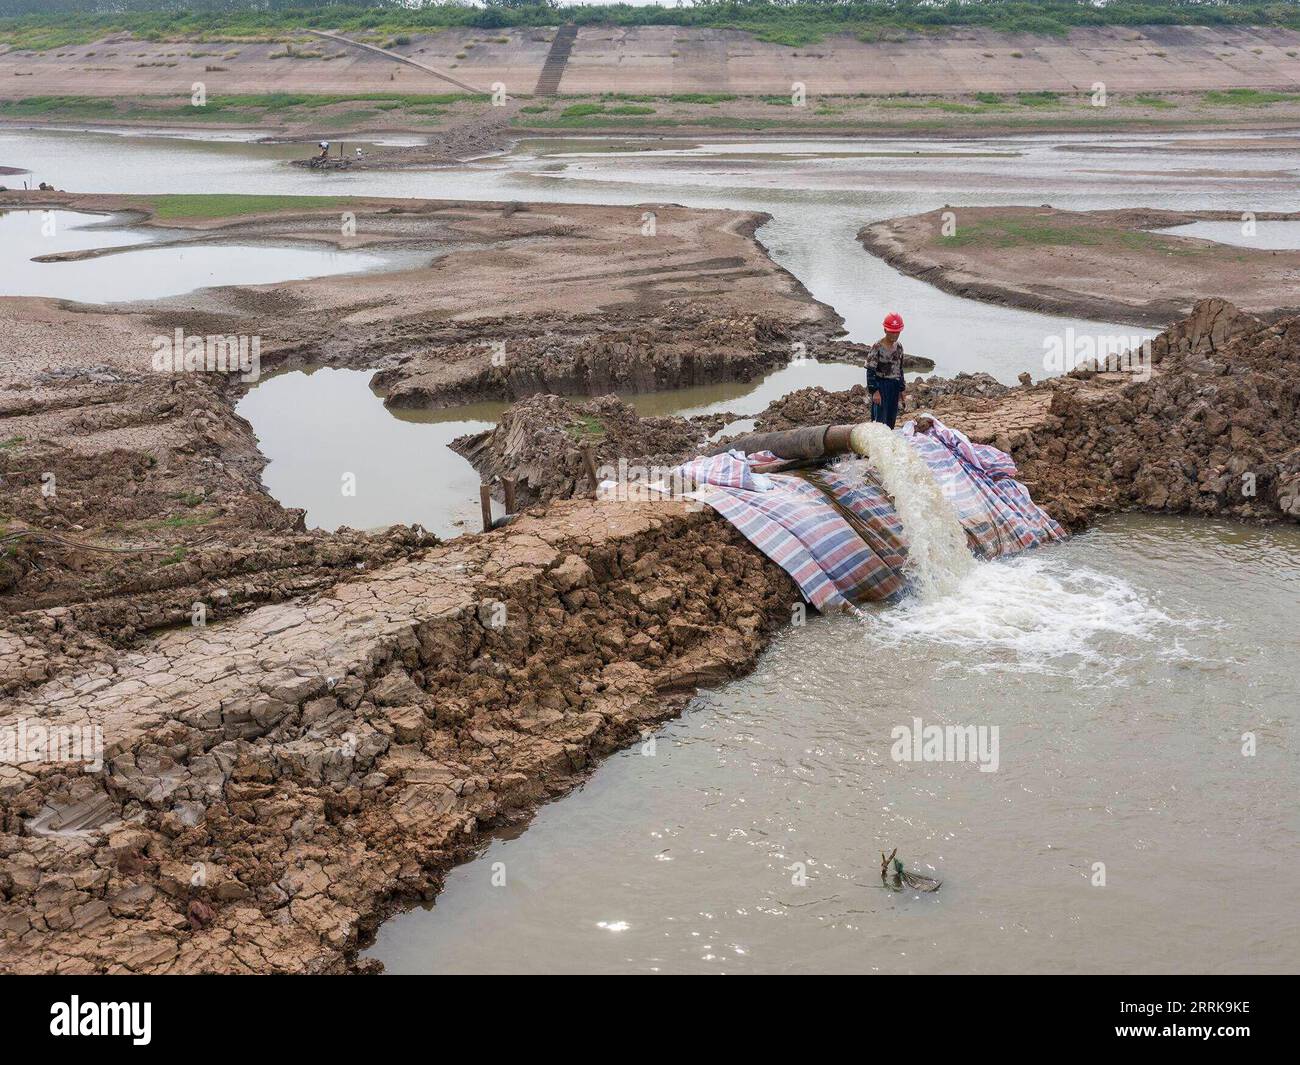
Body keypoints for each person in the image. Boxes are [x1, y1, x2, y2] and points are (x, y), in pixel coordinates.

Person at [866, 311, 907, 429]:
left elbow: (900, 369)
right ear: (885, 330)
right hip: (881, 385)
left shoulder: (899, 347)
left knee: (891, 417)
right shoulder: (877, 347)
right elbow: (870, 370)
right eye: (892, 332)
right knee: (879, 419)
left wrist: (902, 389)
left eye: (897, 332)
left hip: (894, 385)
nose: (895, 335)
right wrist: (875, 391)